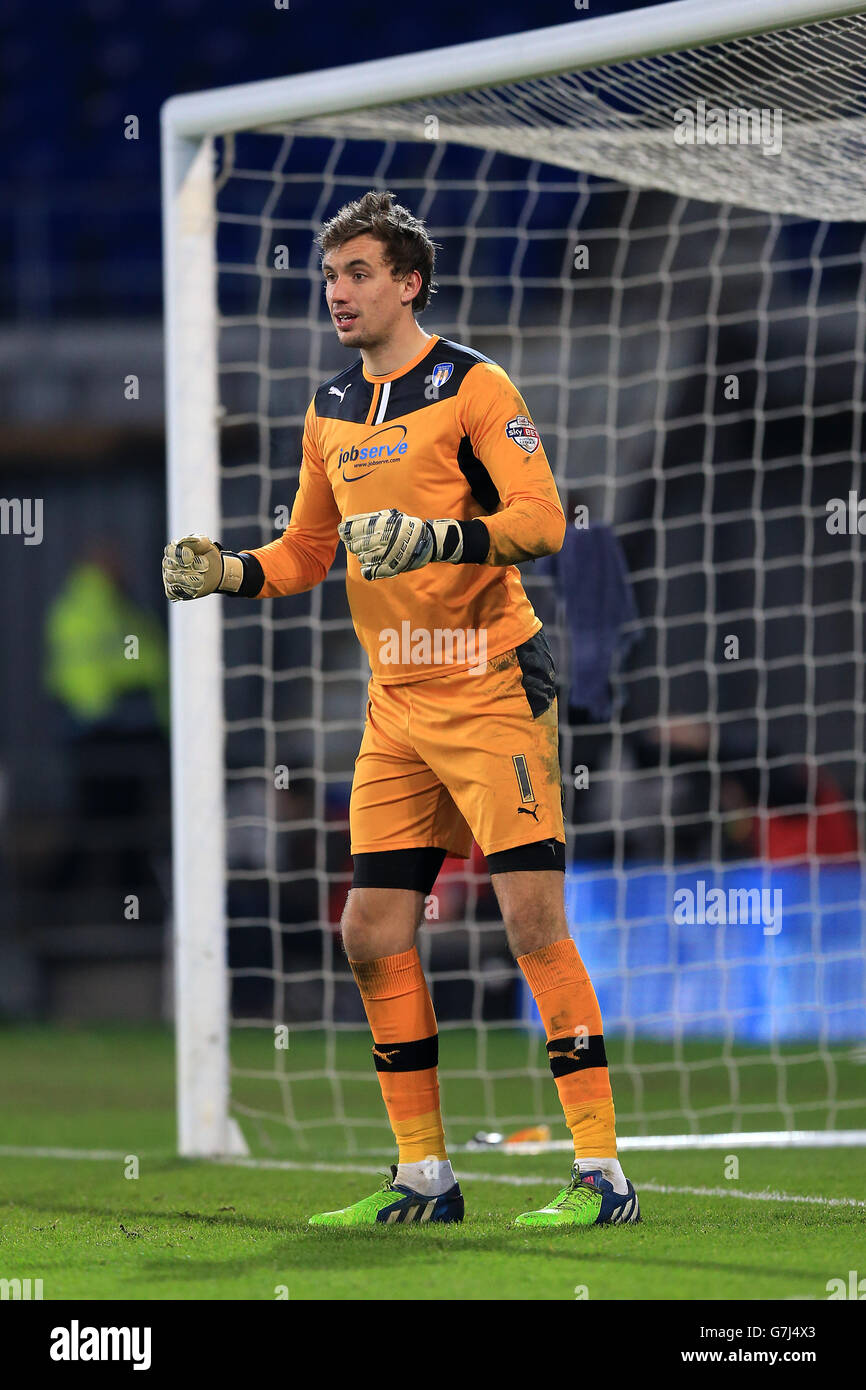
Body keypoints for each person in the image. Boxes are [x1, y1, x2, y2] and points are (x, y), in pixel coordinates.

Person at [162, 191, 639, 1230]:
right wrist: (227, 570)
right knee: (372, 931)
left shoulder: (474, 385)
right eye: (329, 276)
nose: (337, 292)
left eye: (359, 273)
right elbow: (305, 552)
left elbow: (543, 521)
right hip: (396, 708)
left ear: (408, 282)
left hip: (488, 684)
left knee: (529, 918)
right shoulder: (329, 405)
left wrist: (436, 543)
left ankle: (601, 1175)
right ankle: (424, 1175)